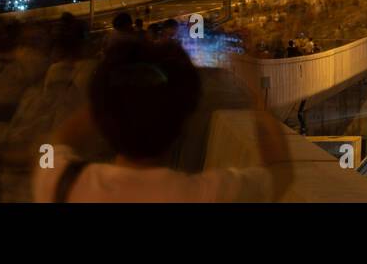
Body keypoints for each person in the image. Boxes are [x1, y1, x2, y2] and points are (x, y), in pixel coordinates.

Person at [33, 39, 286, 202]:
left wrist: (110, 98)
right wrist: (258, 104)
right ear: (185, 120)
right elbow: (279, 173)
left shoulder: (60, 183)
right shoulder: (211, 194)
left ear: (102, 117)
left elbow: (57, 141)